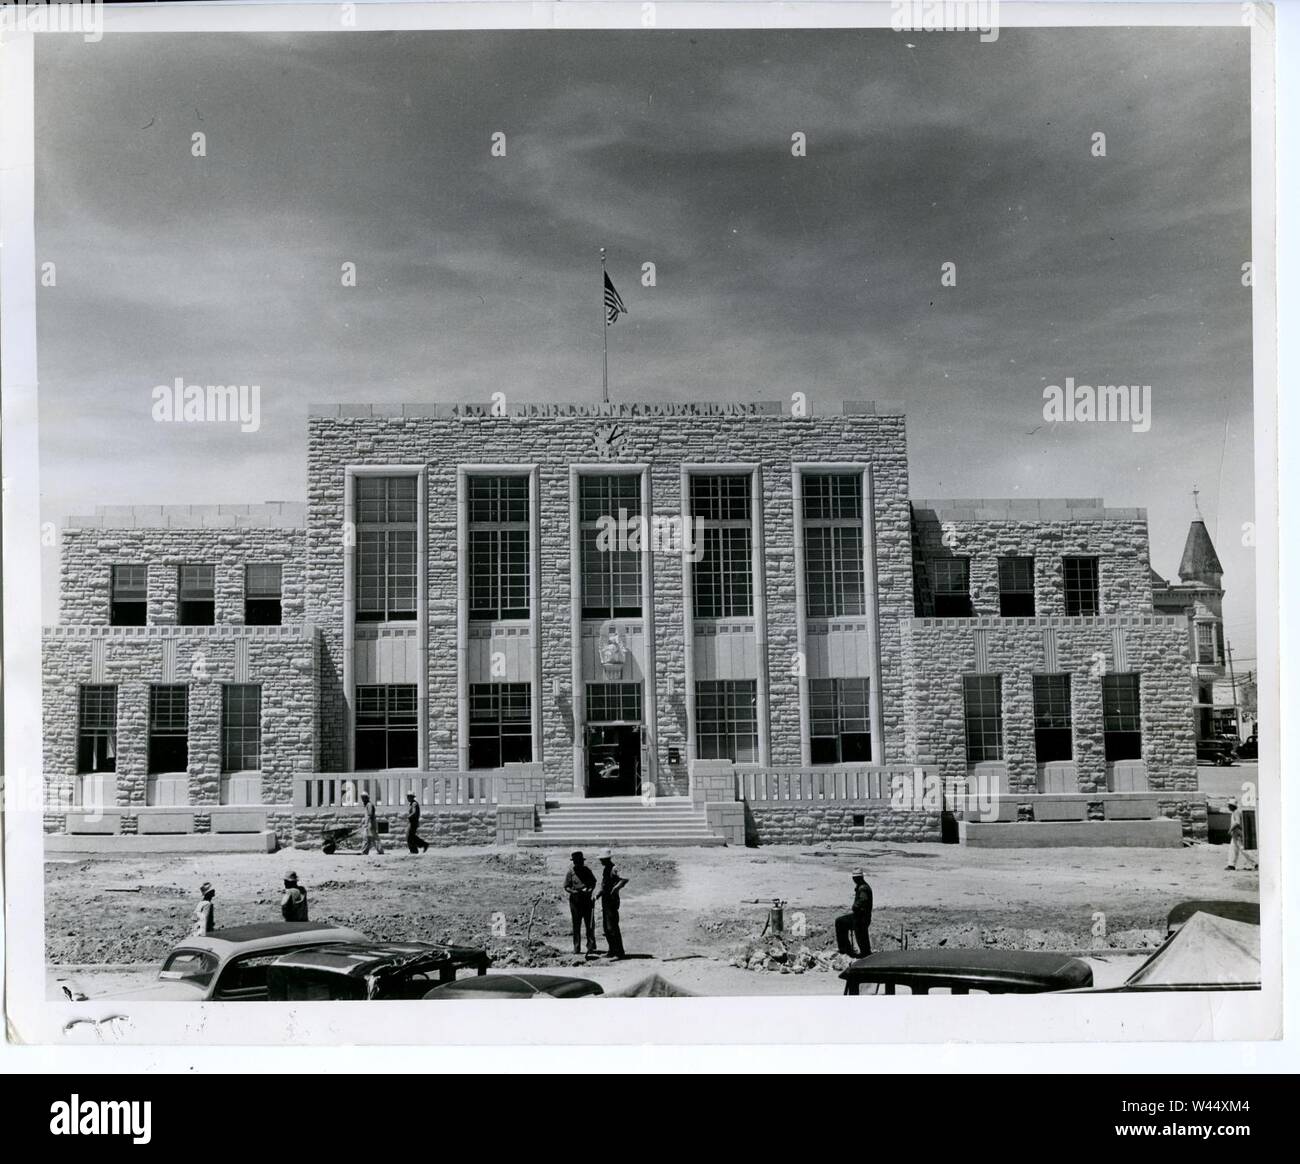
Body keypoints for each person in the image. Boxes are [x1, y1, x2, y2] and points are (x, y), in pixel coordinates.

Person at [595, 849, 629, 959]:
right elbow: (604, 885)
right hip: (605, 900)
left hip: (612, 900)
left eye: (602, 859)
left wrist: (616, 888)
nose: (601, 861)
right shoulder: (606, 869)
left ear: (606, 859)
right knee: (606, 927)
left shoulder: (614, 868)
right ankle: (611, 950)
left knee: (612, 927)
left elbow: (624, 879)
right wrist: (598, 895)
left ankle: (619, 952)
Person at [563, 850, 597, 955]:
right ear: (574, 862)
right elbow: (566, 887)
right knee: (576, 925)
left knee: (589, 924)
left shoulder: (587, 870)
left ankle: (590, 946)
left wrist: (589, 890)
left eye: (581, 861)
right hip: (575, 902)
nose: (580, 863)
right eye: (577, 861)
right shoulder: (570, 872)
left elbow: (593, 882)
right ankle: (576, 947)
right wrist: (575, 892)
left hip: (587, 900)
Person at [835, 870, 873, 957]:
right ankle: (847, 950)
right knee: (841, 922)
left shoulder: (863, 888)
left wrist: (855, 906)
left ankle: (848, 950)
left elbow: (863, 900)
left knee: (841, 922)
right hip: (861, 916)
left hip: (861, 918)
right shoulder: (862, 886)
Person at [1226, 799, 1258, 871]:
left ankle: (1256, 863)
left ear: (1232, 806)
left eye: (1229, 805)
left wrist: (1230, 829)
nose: (1228, 807)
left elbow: (1237, 822)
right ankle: (1231, 865)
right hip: (1235, 834)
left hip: (1238, 834)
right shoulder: (1235, 812)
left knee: (1243, 849)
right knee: (1233, 849)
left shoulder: (1236, 812)